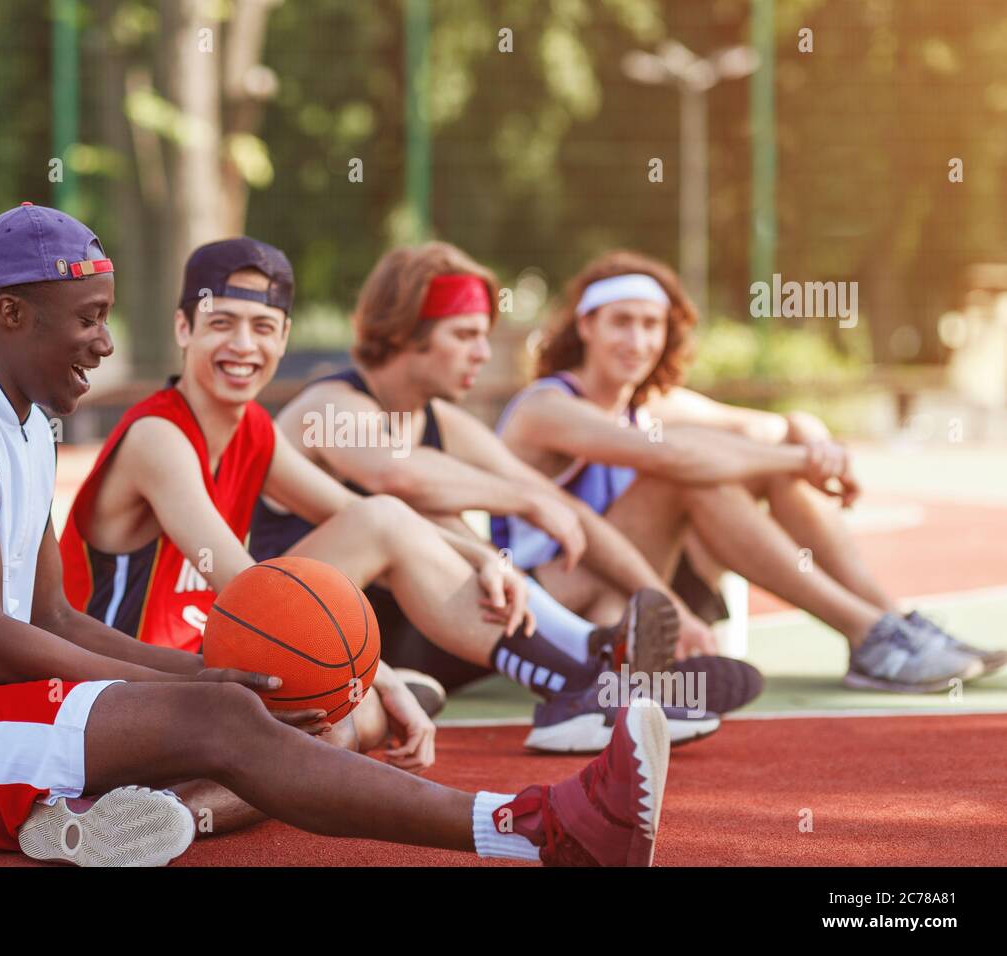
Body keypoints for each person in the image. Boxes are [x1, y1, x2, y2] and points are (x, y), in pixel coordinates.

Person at [0, 204, 676, 868]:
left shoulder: (24, 421)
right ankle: (542, 826)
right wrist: (214, 686)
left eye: (106, 315)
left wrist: (229, 678)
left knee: (301, 713)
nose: (103, 342)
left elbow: (53, 616)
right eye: (87, 317)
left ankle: (146, 820)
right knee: (247, 714)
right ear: (9, 314)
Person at [253, 242, 764, 752]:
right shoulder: (329, 405)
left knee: (470, 532)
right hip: (297, 633)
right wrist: (526, 501)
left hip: (409, 641)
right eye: (466, 335)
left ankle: (599, 663)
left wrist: (668, 602)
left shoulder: (443, 422)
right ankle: (588, 671)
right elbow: (396, 474)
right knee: (404, 511)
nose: (483, 352)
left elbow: (571, 513)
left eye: (484, 336)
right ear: (409, 331)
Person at [496, 249, 1004, 694]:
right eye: (621, 322)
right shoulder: (547, 407)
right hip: (553, 598)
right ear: (586, 326)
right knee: (686, 476)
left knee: (768, 472)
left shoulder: (650, 406)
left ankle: (891, 626)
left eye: (651, 325)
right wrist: (803, 459)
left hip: (628, 577)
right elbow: (679, 459)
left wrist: (808, 435)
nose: (638, 339)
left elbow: (772, 430)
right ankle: (868, 633)